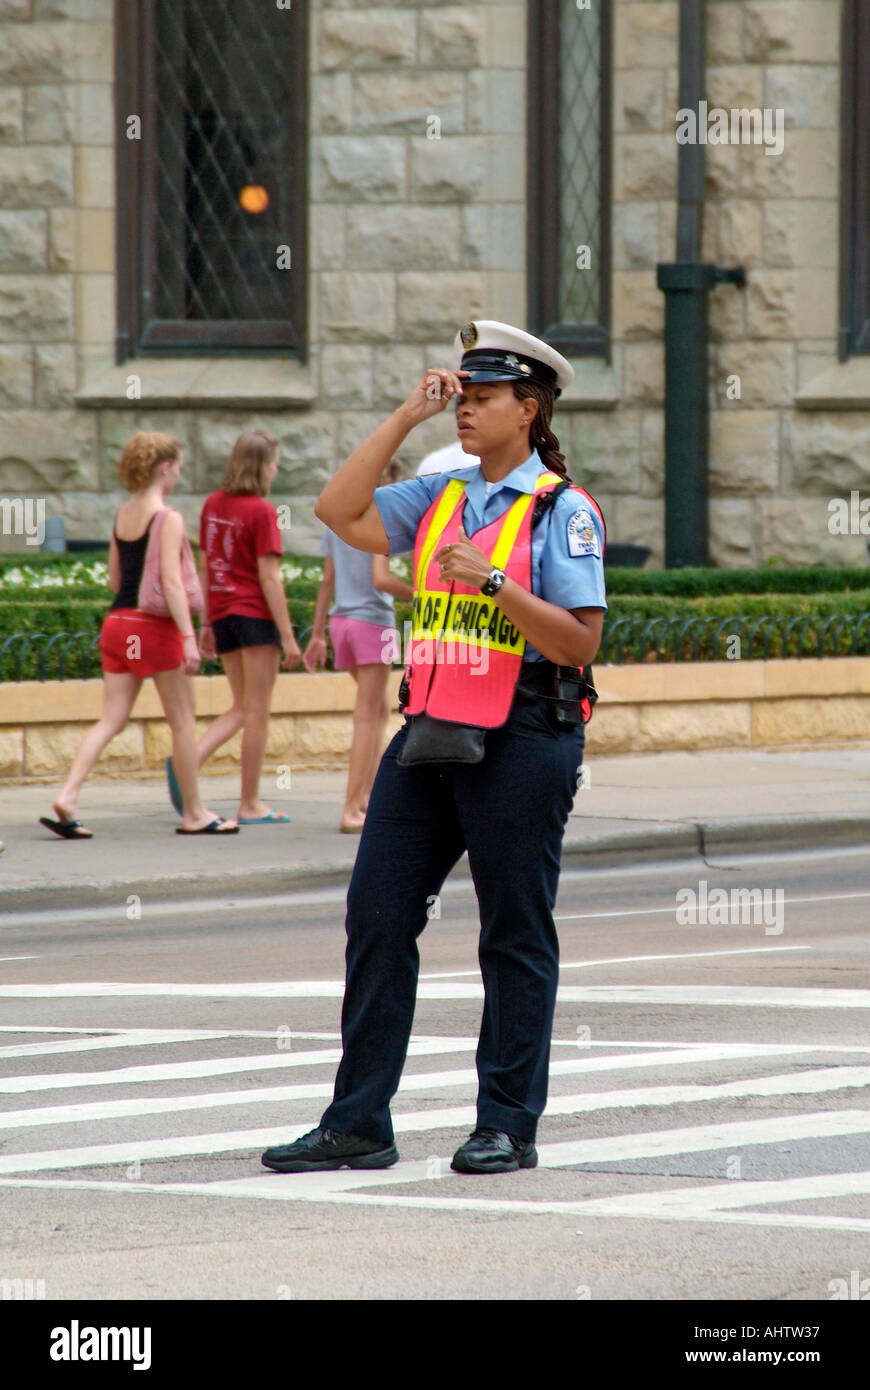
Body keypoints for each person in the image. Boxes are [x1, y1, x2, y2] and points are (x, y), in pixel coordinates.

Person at [261, 319, 606, 1177]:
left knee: (513, 934)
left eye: (483, 398)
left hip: (526, 734)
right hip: (431, 732)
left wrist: (491, 579)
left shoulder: (564, 511)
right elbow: (336, 510)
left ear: (528, 411)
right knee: (376, 915)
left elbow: (578, 643)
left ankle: (506, 1124)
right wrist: (405, 418)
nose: (468, 410)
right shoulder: (441, 497)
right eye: (463, 394)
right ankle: (358, 1121)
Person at [40, 431, 238, 839]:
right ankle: (195, 812)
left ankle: (69, 794)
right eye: (178, 467)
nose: (179, 475)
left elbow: (115, 578)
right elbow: (169, 579)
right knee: (183, 723)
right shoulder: (168, 517)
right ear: (164, 468)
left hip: (118, 626)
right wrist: (188, 635)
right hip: (155, 629)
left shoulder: (122, 514)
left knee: (111, 718)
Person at [169, 429, 302, 825]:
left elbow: (208, 565)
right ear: (262, 466)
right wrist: (289, 636)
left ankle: (186, 761)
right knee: (257, 712)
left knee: (241, 706)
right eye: (274, 462)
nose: (276, 470)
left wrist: (206, 621)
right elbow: (269, 579)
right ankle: (250, 803)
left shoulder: (213, 503)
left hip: (224, 614)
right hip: (255, 618)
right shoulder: (262, 511)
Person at [304, 458, 414, 833]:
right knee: (368, 716)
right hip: (374, 623)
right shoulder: (380, 518)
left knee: (379, 709)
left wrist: (317, 634)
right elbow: (381, 579)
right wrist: (420, 593)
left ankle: (366, 797)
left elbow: (326, 580)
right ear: (389, 479)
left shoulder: (339, 516)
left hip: (341, 623)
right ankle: (351, 809)